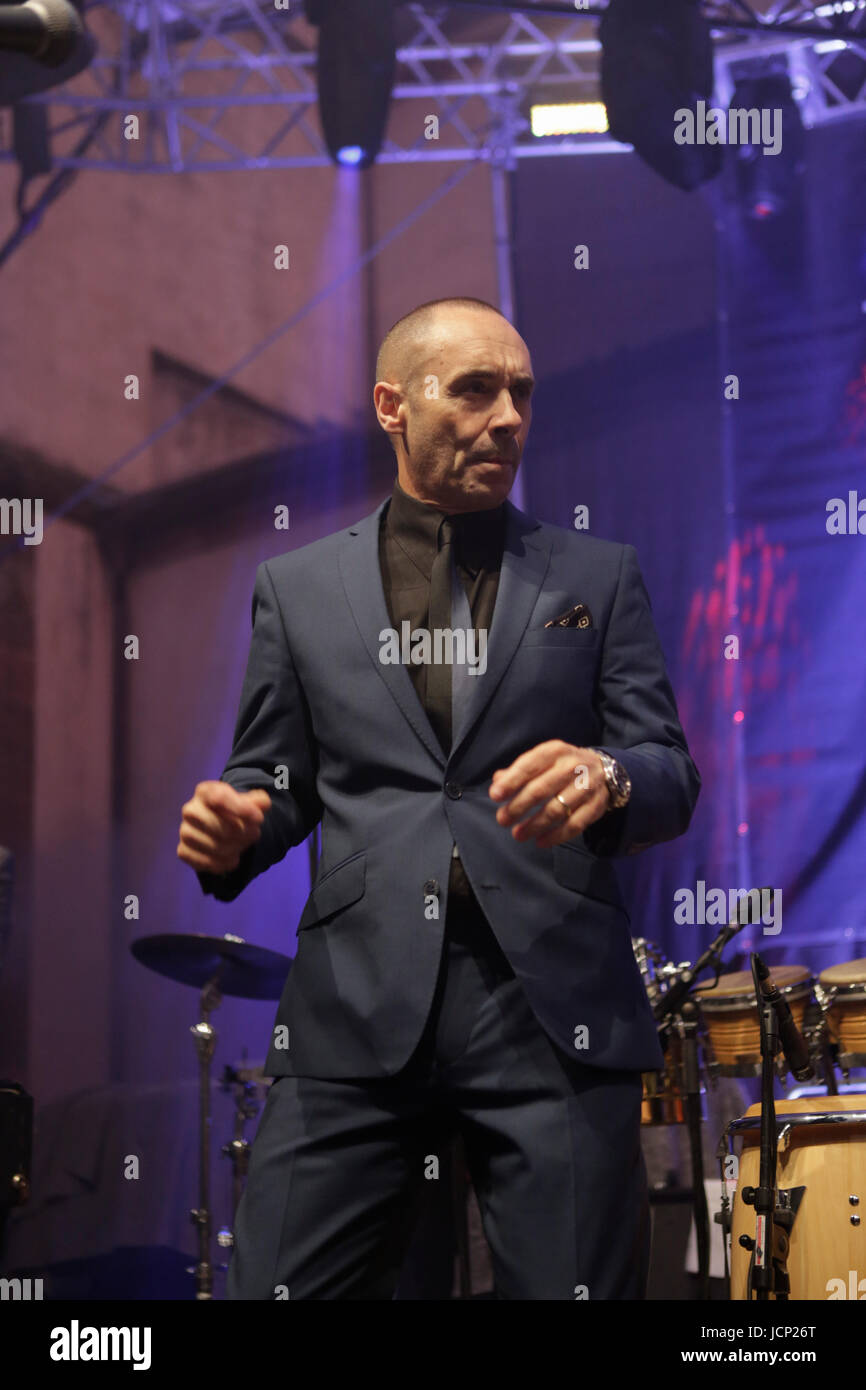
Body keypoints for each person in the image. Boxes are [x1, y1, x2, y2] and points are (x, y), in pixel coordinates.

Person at [176, 296, 700, 1299]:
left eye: (521, 393)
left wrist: (608, 773)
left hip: (548, 1011)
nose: (507, 415)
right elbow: (275, 777)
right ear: (390, 404)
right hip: (353, 1013)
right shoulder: (297, 588)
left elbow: (668, 772)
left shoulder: (597, 574)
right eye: (474, 389)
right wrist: (236, 824)